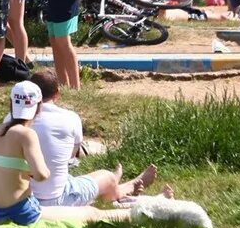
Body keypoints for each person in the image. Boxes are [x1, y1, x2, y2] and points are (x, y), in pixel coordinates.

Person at [21, 69, 157, 208]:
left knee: (63, 176)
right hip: (56, 198)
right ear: (57, 93)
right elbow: (70, 156)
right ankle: (124, 187)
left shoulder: (12, 121)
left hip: (20, 197)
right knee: (106, 176)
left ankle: (111, 186)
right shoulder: (69, 117)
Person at [0, 81, 51, 226]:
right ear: (38, 107)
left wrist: (5, 168)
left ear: (11, 104)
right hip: (22, 211)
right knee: (87, 213)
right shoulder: (27, 134)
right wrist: (40, 172)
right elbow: (41, 175)